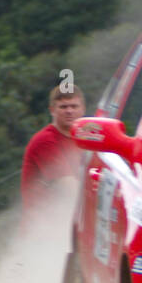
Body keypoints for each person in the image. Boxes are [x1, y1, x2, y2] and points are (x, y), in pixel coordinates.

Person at [20, 84, 85, 234]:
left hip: (68, 227)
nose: (69, 111)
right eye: (63, 107)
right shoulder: (46, 141)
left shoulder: (84, 140)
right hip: (41, 230)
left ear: (83, 109)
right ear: (52, 110)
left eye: (74, 106)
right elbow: (68, 187)